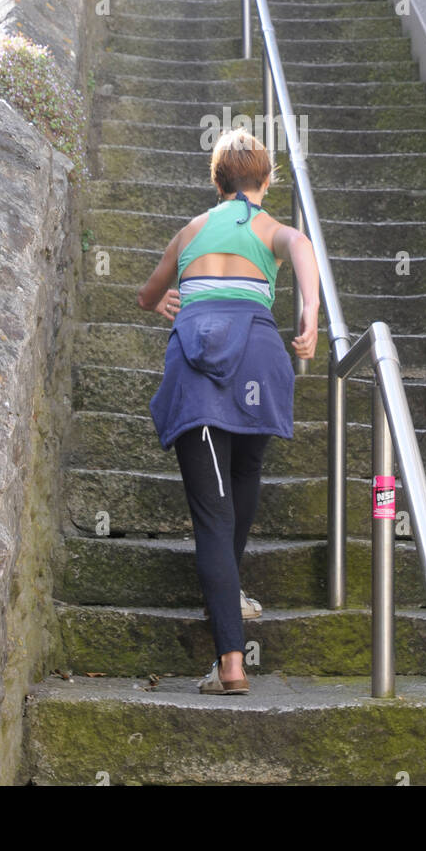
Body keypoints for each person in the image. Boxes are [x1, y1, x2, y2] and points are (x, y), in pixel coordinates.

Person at [137, 126, 319, 695]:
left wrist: (163, 301)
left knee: (213, 517)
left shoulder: (191, 230)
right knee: (245, 472)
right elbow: (301, 248)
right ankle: (231, 601)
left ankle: (232, 665)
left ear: (217, 183)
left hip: (199, 364)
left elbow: (148, 295)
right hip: (261, 360)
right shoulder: (270, 229)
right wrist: (310, 312)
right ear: (266, 180)